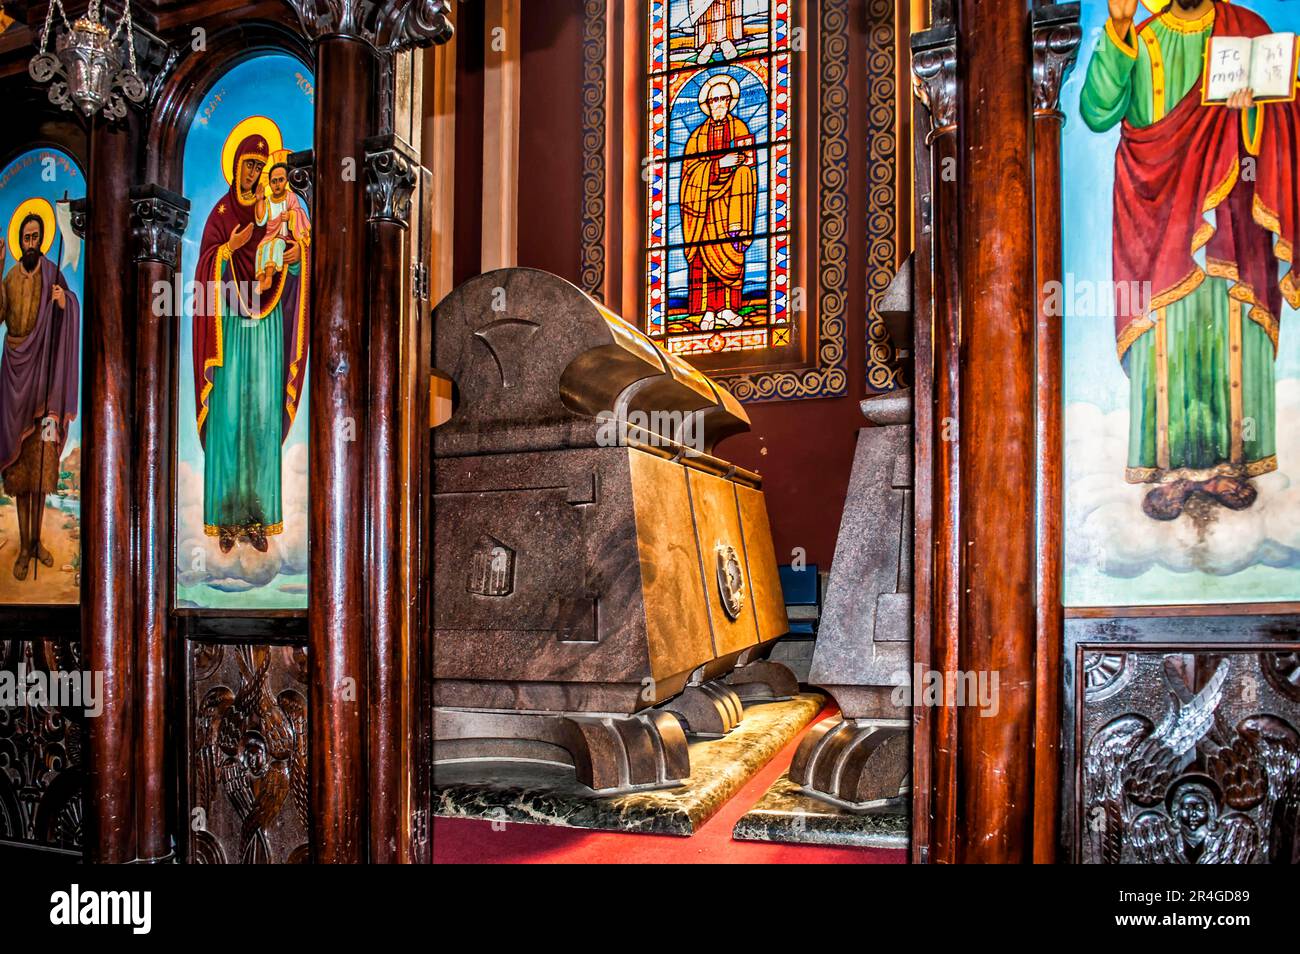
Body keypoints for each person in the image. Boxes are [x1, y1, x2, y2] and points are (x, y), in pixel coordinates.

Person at [0, 211, 80, 580]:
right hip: (15, 380)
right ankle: (24, 544)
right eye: (26, 238)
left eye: (36, 237)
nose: (31, 243)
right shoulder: (11, 278)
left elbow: (71, 311)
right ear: (20, 242)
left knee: (43, 464)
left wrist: (65, 303)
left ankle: (37, 543)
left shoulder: (52, 274)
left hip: (44, 386)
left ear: (43, 239)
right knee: (19, 472)